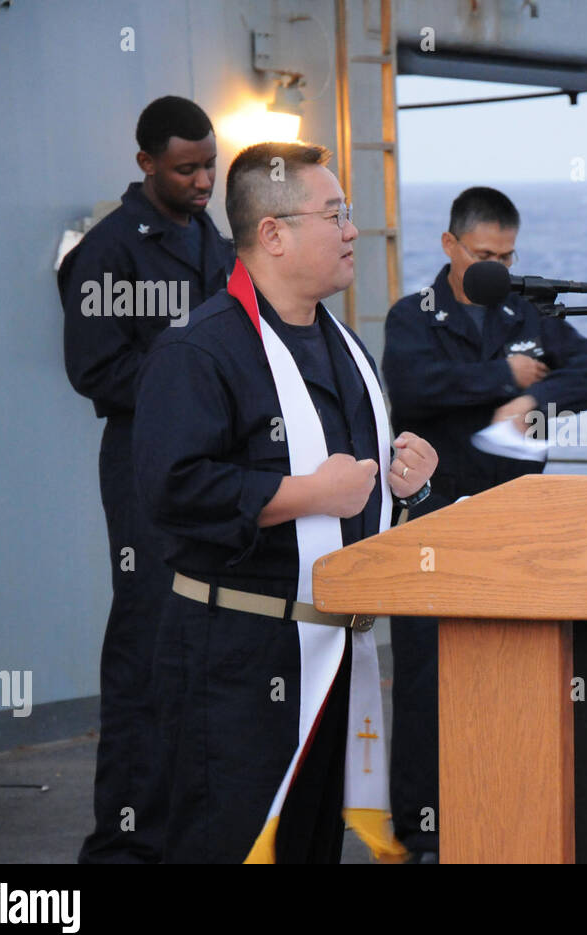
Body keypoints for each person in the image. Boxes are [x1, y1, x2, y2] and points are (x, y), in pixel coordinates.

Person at [133, 141, 438, 863]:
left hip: (333, 649)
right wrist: (303, 492)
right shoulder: (199, 349)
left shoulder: (346, 349)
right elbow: (171, 488)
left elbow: (358, 486)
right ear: (272, 233)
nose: (353, 230)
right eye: (335, 214)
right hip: (236, 657)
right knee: (231, 845)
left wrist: (410, 485)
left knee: (307, 845)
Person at [381, 186, 587, 861]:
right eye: (486, 255)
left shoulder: (527, 311)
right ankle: (424, 826)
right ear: (451, 246)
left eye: (508, 256)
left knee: (515, 668)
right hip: (436, 516)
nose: (499, 267)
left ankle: (511, 799)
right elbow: (415, 385)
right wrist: (501, 376)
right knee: (427, 676)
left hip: (514, 519)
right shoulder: (412, 316)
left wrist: (536, 394)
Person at [56, 95, 234, 863]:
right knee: (146, 648)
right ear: (145, 164)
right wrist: (195, 382)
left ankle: (183, 833)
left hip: (211, 461)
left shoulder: (211, 239)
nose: (202, 181)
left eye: (210, 166)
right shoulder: (107, 250)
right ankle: (124, 846)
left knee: (199, 646)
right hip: (145, 468)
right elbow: (95, 370)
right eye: (187, 168)